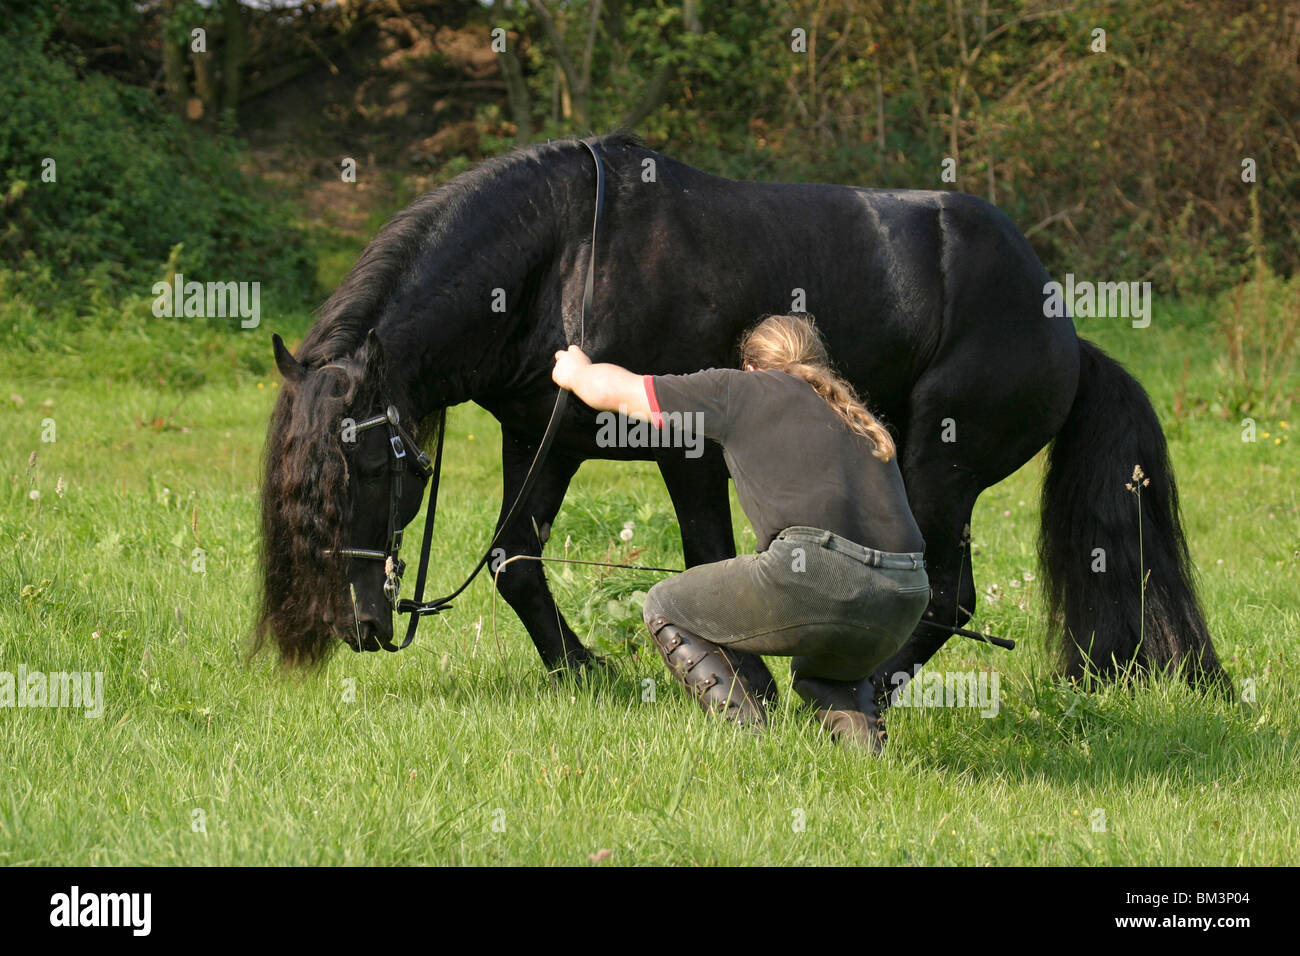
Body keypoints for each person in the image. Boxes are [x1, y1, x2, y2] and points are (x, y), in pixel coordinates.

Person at [551, 314, 929, 752]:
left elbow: (616, 392)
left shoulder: (742, 389)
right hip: (904, 596)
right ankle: (867, 760)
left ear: (751, 366)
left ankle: (749, 743)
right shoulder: (851, 414)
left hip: (819, 575)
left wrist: (576, 370)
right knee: (828, 674)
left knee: (665, 604)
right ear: (816, 365)